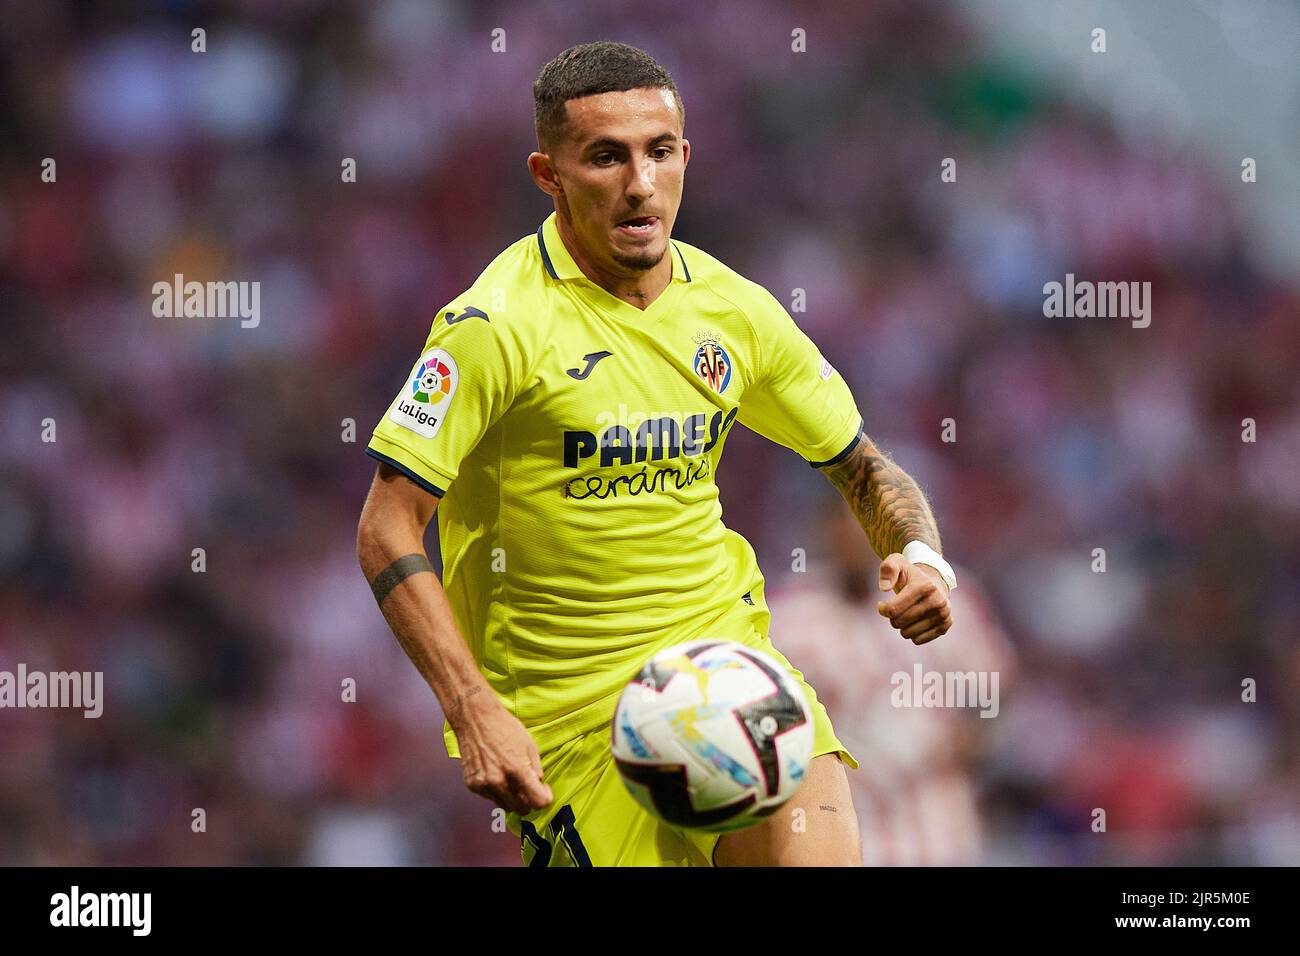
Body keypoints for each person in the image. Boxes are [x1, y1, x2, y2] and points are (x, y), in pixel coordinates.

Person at [355, 40, 955, 867]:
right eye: (605, 156)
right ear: (548, 174)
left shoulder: (735, 311)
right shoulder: (492, 328)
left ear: (684, 158)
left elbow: (862, 466)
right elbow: (387, 527)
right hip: (572, 728)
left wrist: (919, 554)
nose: (640, 183)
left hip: (728, 673)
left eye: (659, 152)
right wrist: (471, 707)